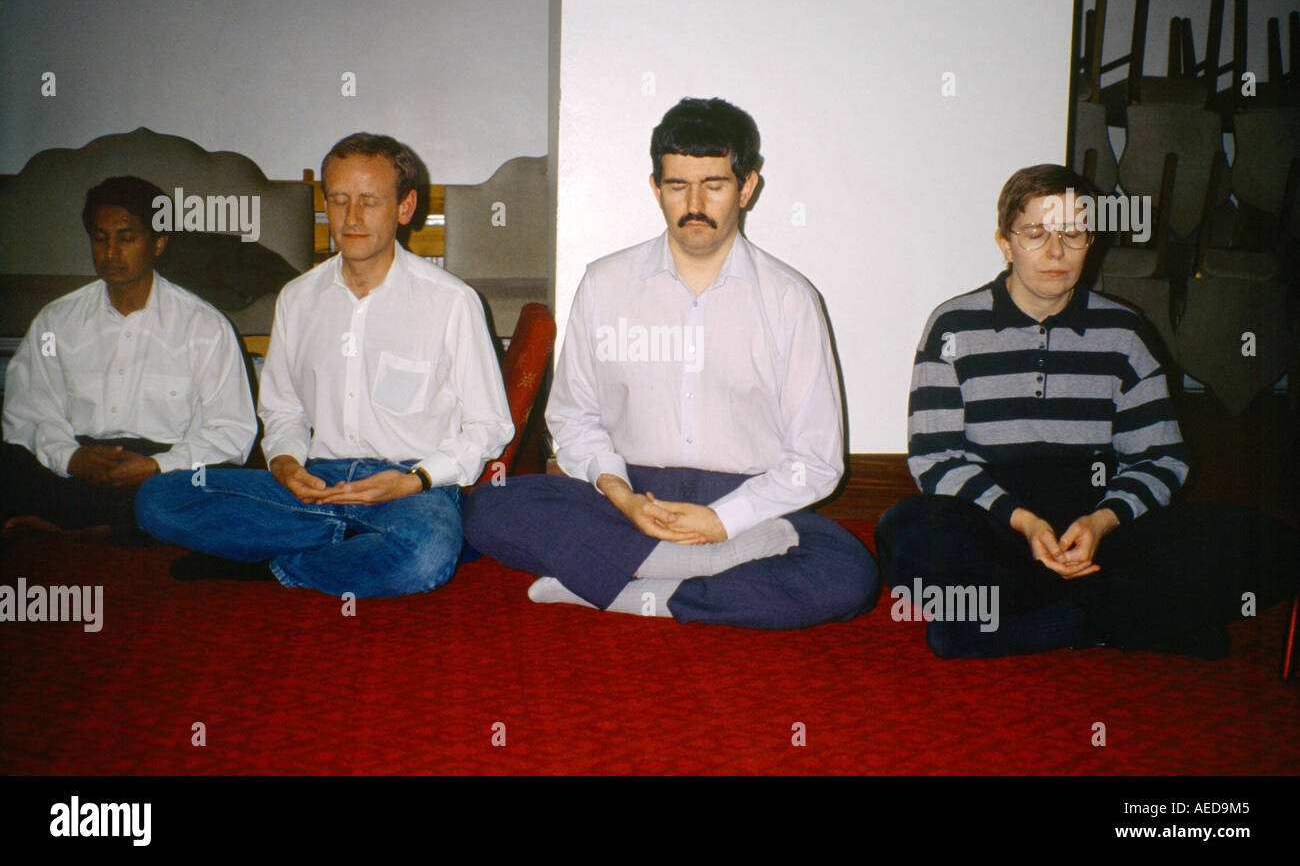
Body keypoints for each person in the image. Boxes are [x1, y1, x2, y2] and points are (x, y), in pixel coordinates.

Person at [463, 97, 878, 629]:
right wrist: (621, 496)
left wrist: (721, 520)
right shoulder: (605, 283)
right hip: (630, 498)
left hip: (747, 502)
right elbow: (572, 418)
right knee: (490, 508)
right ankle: (696, 572)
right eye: (678, 185)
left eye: (715, 184)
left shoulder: (790, 299)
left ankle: (619, 589)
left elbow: (816, 461)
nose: (695, 203)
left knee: (849, 574)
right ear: (656, 187)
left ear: (747, 187)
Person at [875, 163, 1299, 659]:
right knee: (903, 535)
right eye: (1035, 233)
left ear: (1090, 241)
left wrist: (1103, 522)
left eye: (1072, 234)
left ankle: (1037, 623)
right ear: (1005, 242)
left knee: (1270, 546)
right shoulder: (952, 326)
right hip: (999, 524)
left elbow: (1162, 458)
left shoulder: (1126, 332)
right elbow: (936, 457)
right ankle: (1132, 617)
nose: (1055, 252)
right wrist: (1025, 523)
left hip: (1100, 519)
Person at [135, 133, 513, 597]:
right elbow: (282, 409)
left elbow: (488, 425)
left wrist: (416, 480)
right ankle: (350, 544)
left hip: (407, 487)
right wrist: (287, 464)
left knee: (425, 554)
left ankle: (280, 565)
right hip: (317, 483)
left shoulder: (452, 302)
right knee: (159, 500)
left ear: (405, 207)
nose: (351, 218)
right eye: (338, 199)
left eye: (369, 201)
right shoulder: (298, 298)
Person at [2, 176, 256, 543]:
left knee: (210, 489)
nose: (110, 253)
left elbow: (232, 431)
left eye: (126, 238)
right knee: (9, 464)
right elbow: (27, 411)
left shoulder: (205, 326)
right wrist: (71, 458)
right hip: (79, 462)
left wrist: (156, 466)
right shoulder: (55, 321)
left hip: (159, 469)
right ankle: (115, 529)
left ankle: (81, 528)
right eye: (100, 238)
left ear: (158, 243)